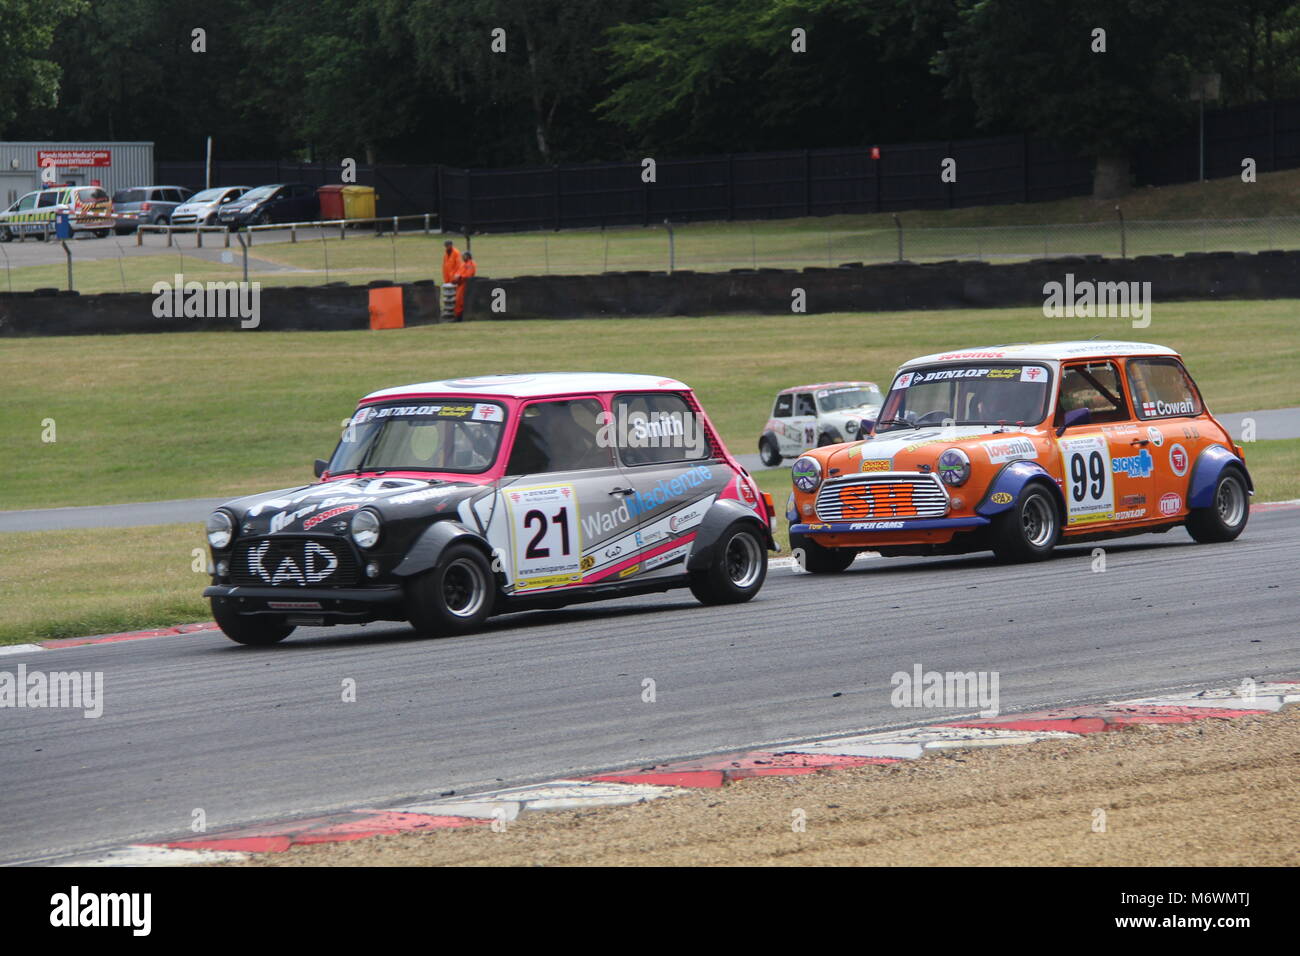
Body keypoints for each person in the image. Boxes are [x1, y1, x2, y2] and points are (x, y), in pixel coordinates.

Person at [453, 250, 477, 321]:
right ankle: (458, 316)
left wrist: (460, 276)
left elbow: (469, 275)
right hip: (460, 284)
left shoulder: (471, 264)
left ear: (468, 256)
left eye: (464, 256)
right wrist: (456, 278)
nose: (462, 257)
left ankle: (459, 317)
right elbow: (458, 273)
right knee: (458, 301)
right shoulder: (463, 264)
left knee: (460, 301)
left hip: (466, 284)